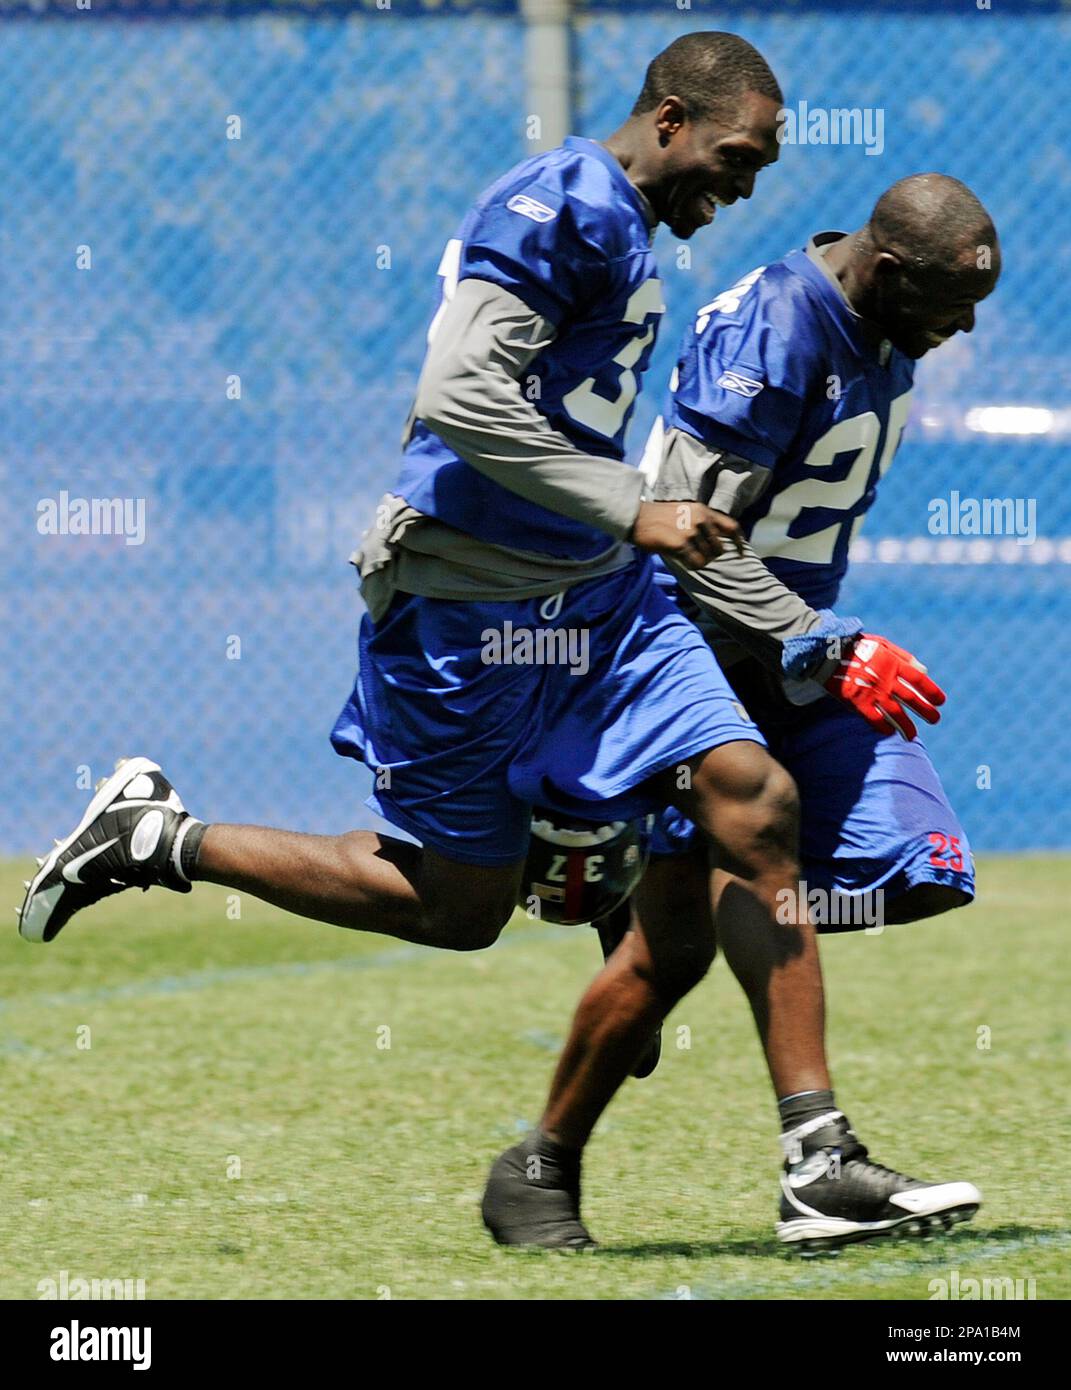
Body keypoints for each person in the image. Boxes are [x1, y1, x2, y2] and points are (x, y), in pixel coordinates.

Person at [484, 174, 1001, 1252]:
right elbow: (689, 537)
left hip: (787, 648)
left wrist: (811, 639)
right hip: (692, 643)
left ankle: (535, 1171)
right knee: (761, 847)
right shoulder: (775, 334)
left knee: (895, 872)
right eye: (950, 301)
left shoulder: (879, 316)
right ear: (891, 271)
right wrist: (823, 640)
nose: (964, 327)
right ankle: (819, 1162)